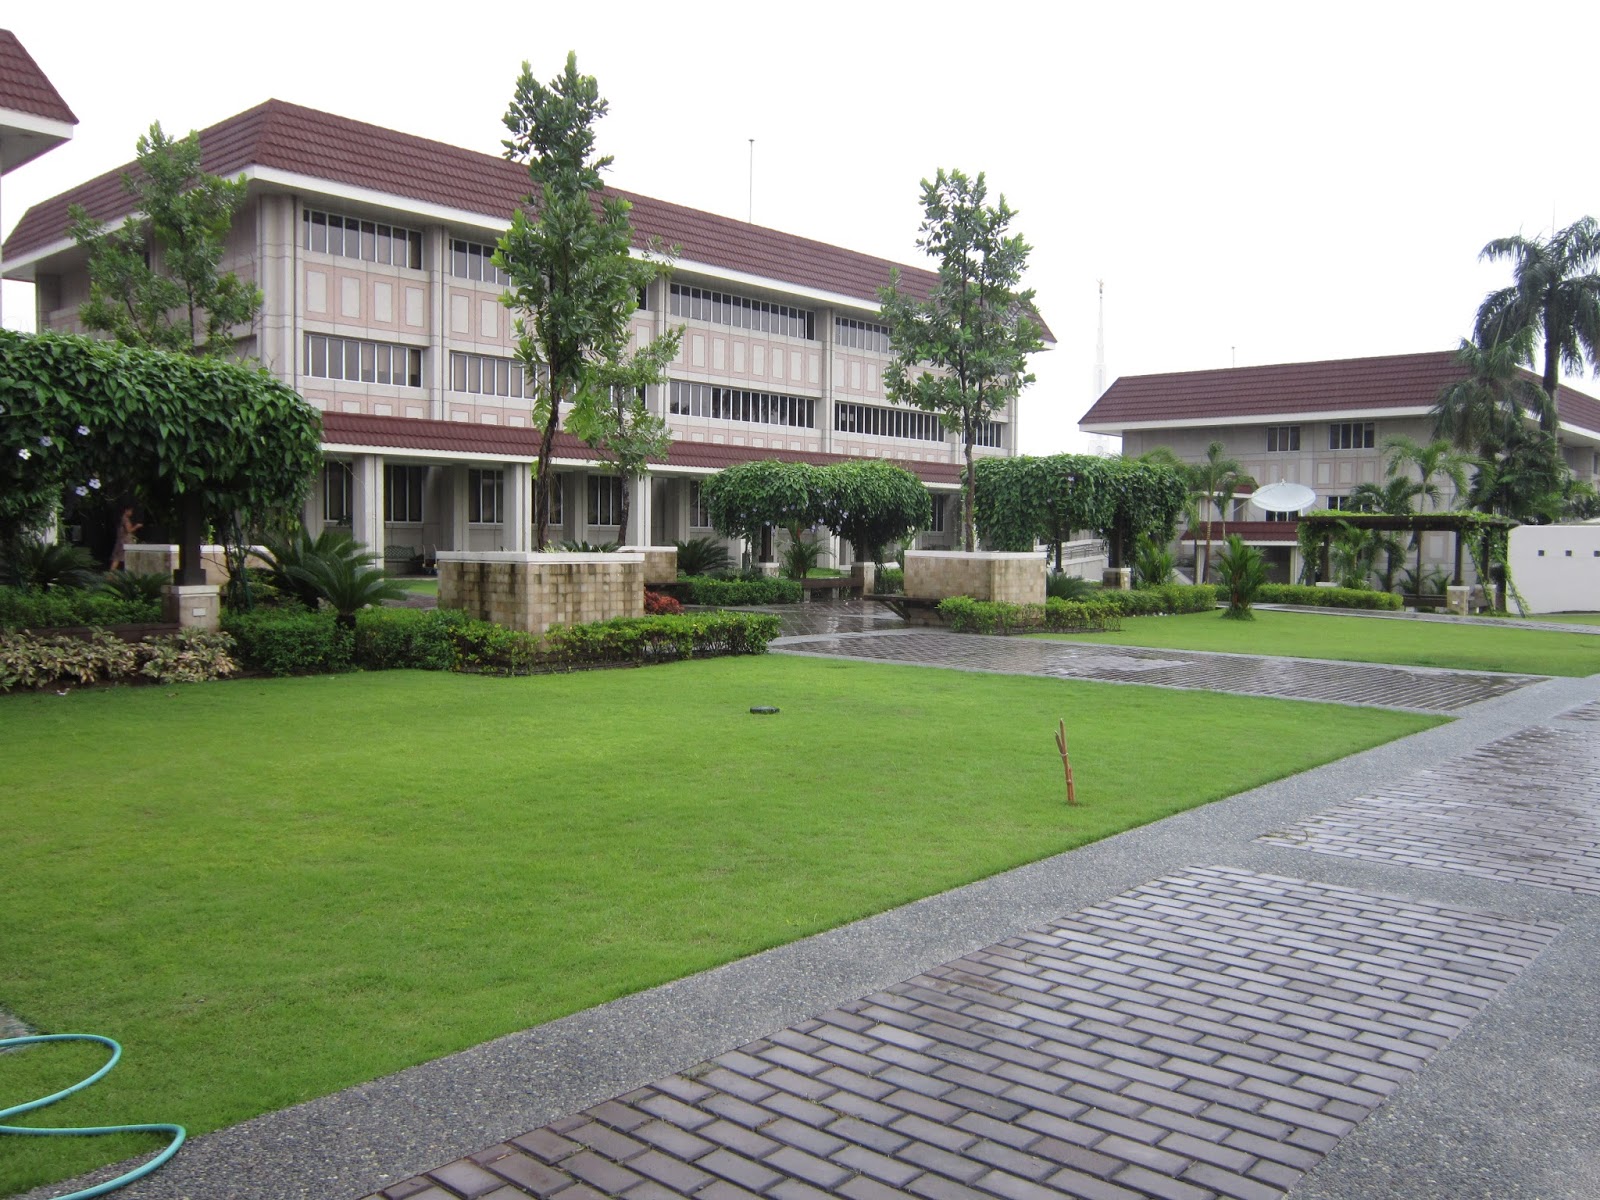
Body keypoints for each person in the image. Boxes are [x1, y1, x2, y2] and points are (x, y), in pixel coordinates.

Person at [109, 506, 141, 572]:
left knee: (116, 559)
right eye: (130, 511)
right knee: (121, 558)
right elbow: (129, 530)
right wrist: (137, 526)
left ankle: (110, 575)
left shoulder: (120, 519)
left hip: (120, 541)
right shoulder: (125, 519)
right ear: (126, 511)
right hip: (125, 542)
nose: (131, 513)